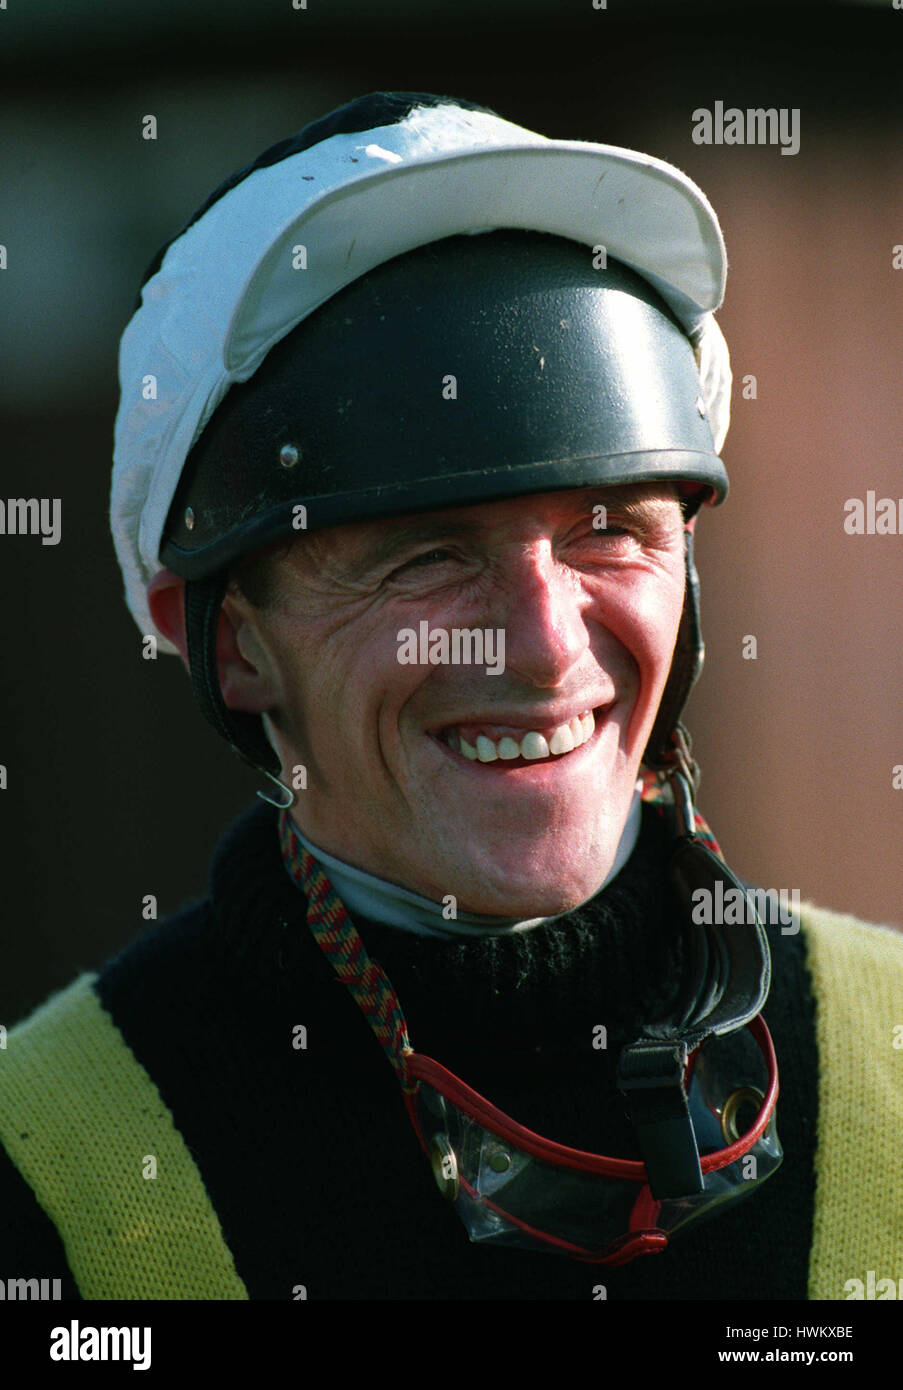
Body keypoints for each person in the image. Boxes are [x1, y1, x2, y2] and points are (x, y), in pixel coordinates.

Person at [1, 91, 900, 1302]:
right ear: (223, 643)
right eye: (425, 553)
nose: (541, 643)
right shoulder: (40, 1167)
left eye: (608, 531)